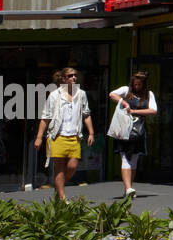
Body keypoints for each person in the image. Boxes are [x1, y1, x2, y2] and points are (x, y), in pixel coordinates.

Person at [33, 65, 94, 200]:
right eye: (70, 76)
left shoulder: (81, 94)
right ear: (63, 79)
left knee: (73, 166)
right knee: (59, 168)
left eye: (75, 75)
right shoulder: (55, 95)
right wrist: (39, 137)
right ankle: (61, 197)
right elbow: (45, 117)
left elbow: (86, 114)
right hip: (57, 136)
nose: (73, 78)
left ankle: (58, 186)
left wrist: (91, 133)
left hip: (74, 136)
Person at [109, 71, 157, 197]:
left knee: (134, 160)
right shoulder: (126, 91)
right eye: (135, 84)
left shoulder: (149, 95)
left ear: (144, 85)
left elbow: (153, 110)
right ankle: (129, 187)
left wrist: (134, 111)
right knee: (125, 158)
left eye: (139, 85)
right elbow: (112, 94)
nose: (137, 87)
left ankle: (128, 189)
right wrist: (124, 102)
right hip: (124, 130)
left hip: (138, 131)